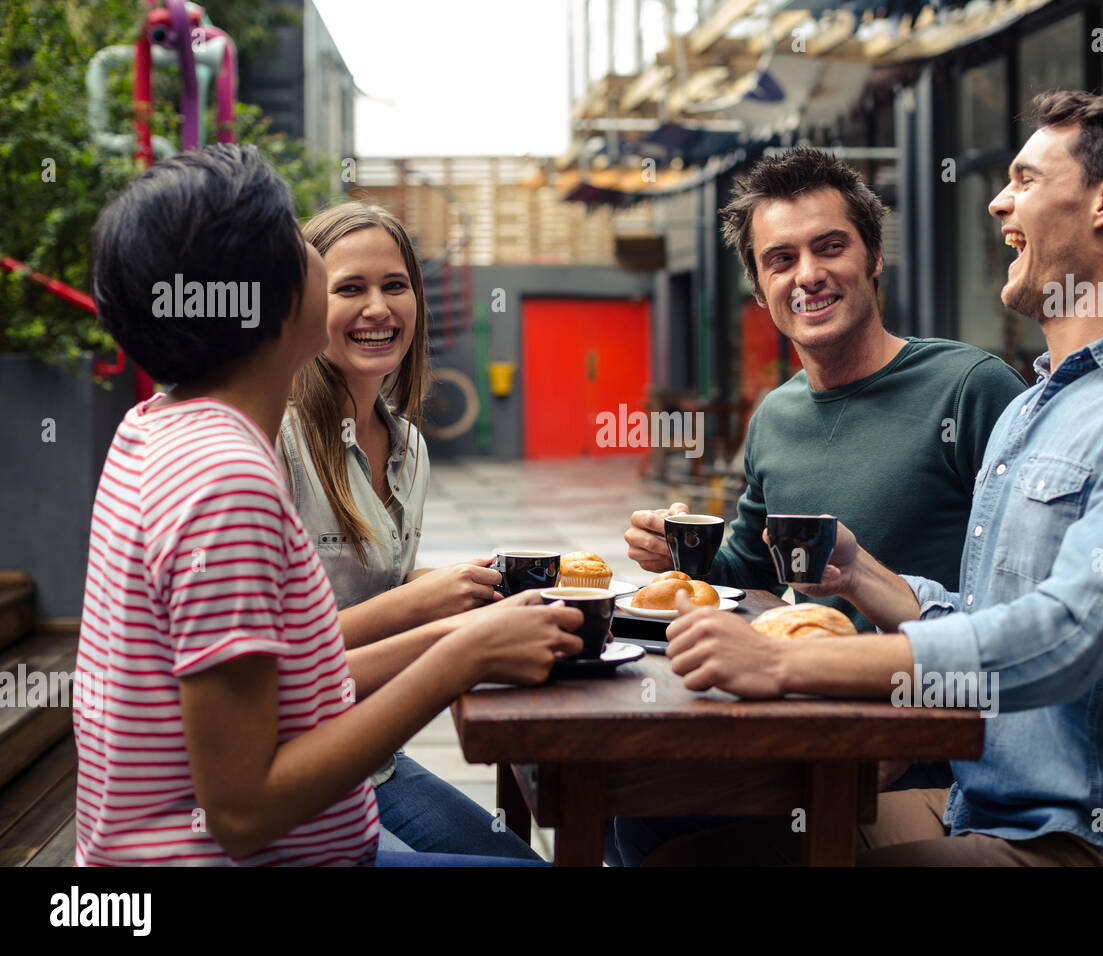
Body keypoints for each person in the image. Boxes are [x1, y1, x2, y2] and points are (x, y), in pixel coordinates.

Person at [658, 91, 1103, 866]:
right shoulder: (1035, 406)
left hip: (1088, 843)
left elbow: (1063, 639)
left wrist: (786, 661)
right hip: (979, 803)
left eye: (1027, 180)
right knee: (670, 840)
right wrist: (864, 574)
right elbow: (984, 614)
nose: (1000, 202)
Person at [75, 143, 582, 866]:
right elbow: (243, 812)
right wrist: (457, 659)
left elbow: (295, 678)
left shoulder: (160, 428)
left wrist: (471, 636)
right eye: (294, 237)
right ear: (277, 295)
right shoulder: (230, 484)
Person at [609, 147, 1026, 865]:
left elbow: (1029, 610)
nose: (807, 274)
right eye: (781, 259)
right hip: (803, 714)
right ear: (759, 285)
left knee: (675, 848)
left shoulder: (971, 389)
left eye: (830, 247)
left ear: (873, 260)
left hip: (933, 741)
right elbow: (749, 572)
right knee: (632, 805)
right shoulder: (776, 415)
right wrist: (678, 551)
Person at [277, 201, 535, 858]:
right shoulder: (272, 439)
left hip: (372, 760)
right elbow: (270, 662)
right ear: (305, 305)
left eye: (395, 286)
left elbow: (367, 594)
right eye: (350, 288)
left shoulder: (410, 448)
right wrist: (432, 614)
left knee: (519, 857)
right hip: (282, 772)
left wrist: (456, 585)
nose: (378, 308)